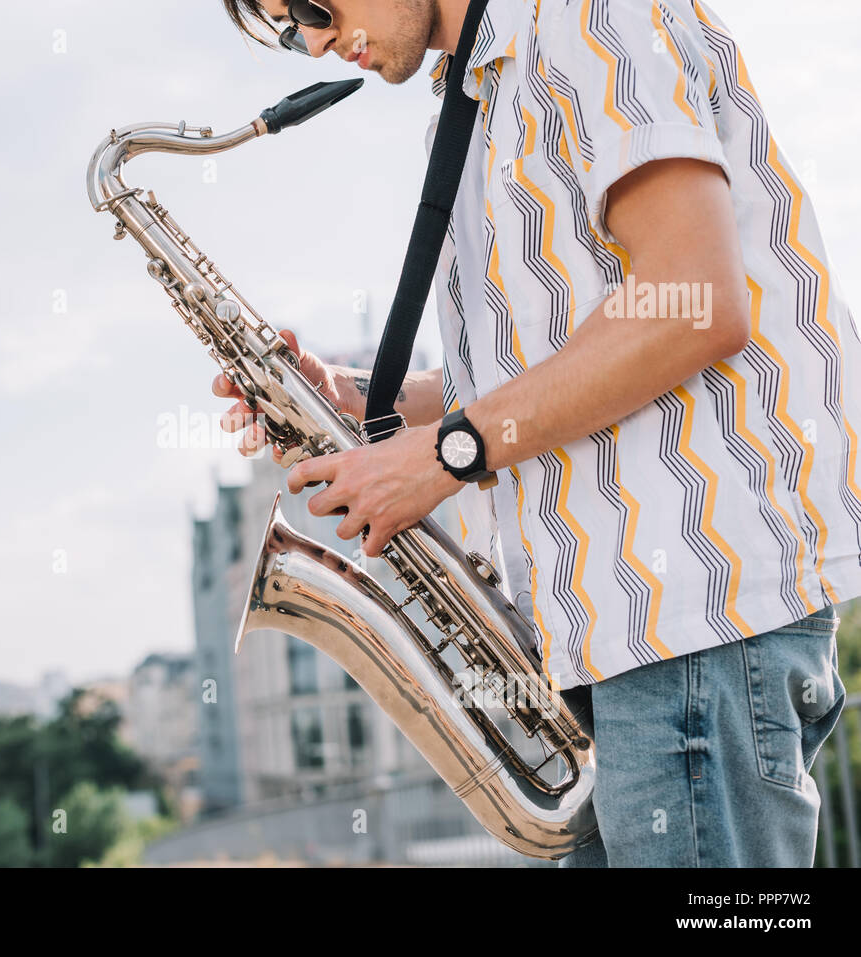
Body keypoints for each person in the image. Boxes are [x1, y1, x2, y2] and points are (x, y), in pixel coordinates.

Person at [213, 0, 856, 866]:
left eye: (313, 9)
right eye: (293, 32)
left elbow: (692, 300)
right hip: (596, 642)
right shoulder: (479, 88)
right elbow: (556, 367)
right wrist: (355, 394)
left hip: (691, 623)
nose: (318, 42)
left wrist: (448, 456)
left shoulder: (587, 14)